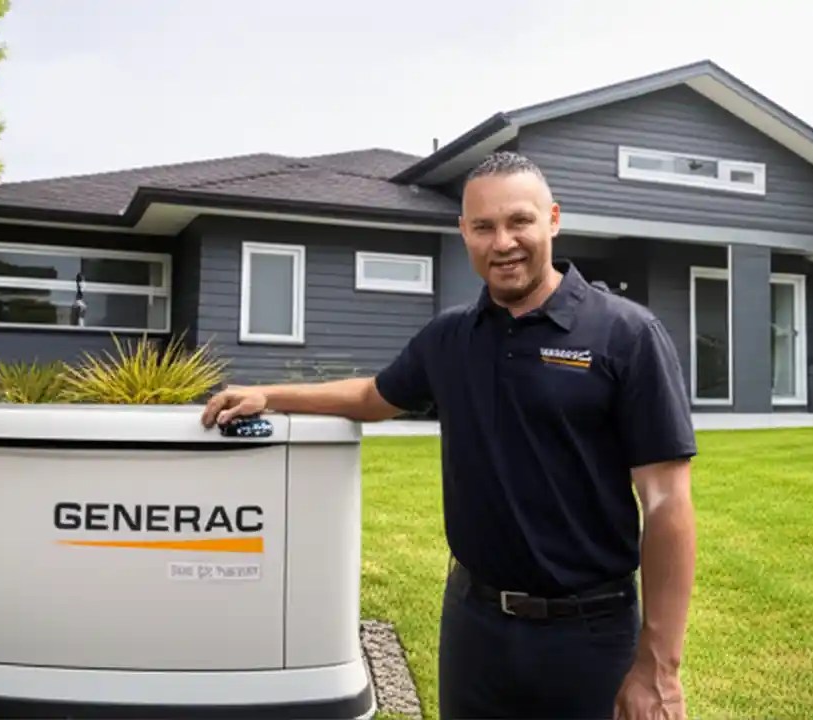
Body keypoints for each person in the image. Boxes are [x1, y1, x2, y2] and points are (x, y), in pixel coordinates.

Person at [201, 151, 698, 719]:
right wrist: (272, 395)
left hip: (589, 636)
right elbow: (373, 396)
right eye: (483, 227)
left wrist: (659, 667)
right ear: (464, 232)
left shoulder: (626, 335)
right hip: (475, 628)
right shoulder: (450, 338)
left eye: (519, 222)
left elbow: (667, 506)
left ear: (553, 219)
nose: (502, 242)